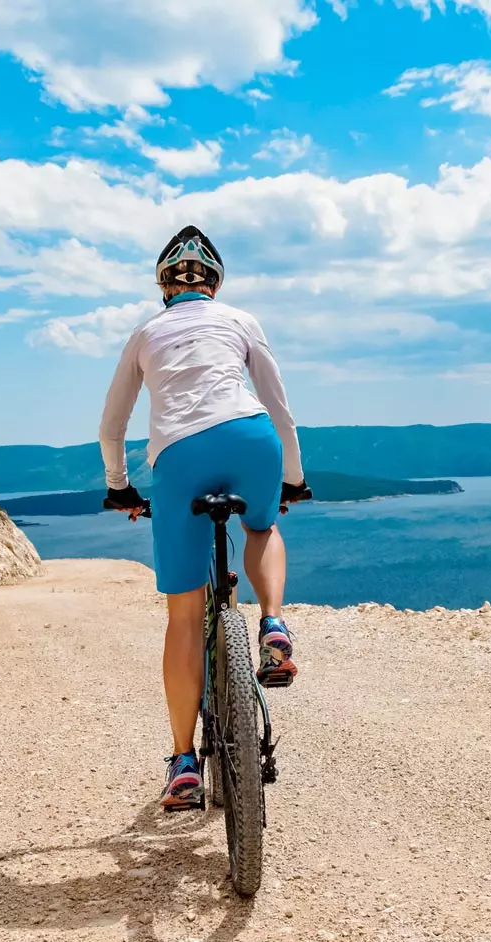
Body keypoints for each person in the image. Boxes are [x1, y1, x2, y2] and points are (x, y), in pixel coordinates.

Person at [99, 225, 312, 812]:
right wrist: (291, 477)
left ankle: (184, 761)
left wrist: (120, 488)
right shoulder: (242, 321)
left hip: (180, 458)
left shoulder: (145, 333)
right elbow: (280, 408)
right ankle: (272, 625)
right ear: (215, 284)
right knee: (263, 527)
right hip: (251, 439)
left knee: (185, 614)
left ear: (164, 287)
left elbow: (111, 427)